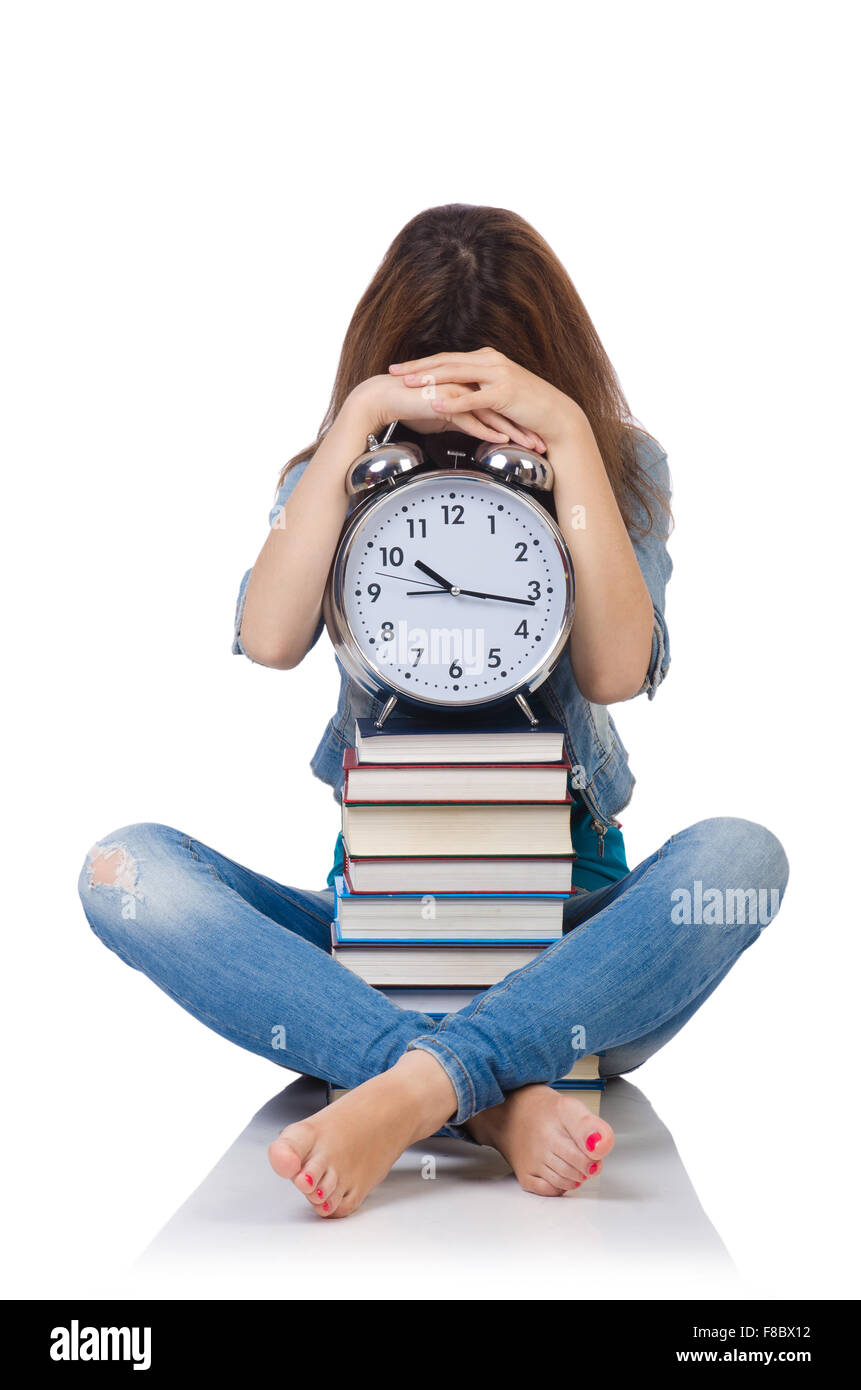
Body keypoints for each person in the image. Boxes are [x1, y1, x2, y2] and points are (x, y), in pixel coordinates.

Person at [79, 204, 789, 1219]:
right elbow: (272, 638)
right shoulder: (332, 474)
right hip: (382, 934)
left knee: (741, 858)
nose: (459, 423)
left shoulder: (617, 466)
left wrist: (571, 438)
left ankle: (405, 1086)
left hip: (579, 947)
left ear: (548, 373)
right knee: (124, 871)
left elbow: (613, 669)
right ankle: (488, 1096)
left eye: (492, 395)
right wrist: (352, 431)